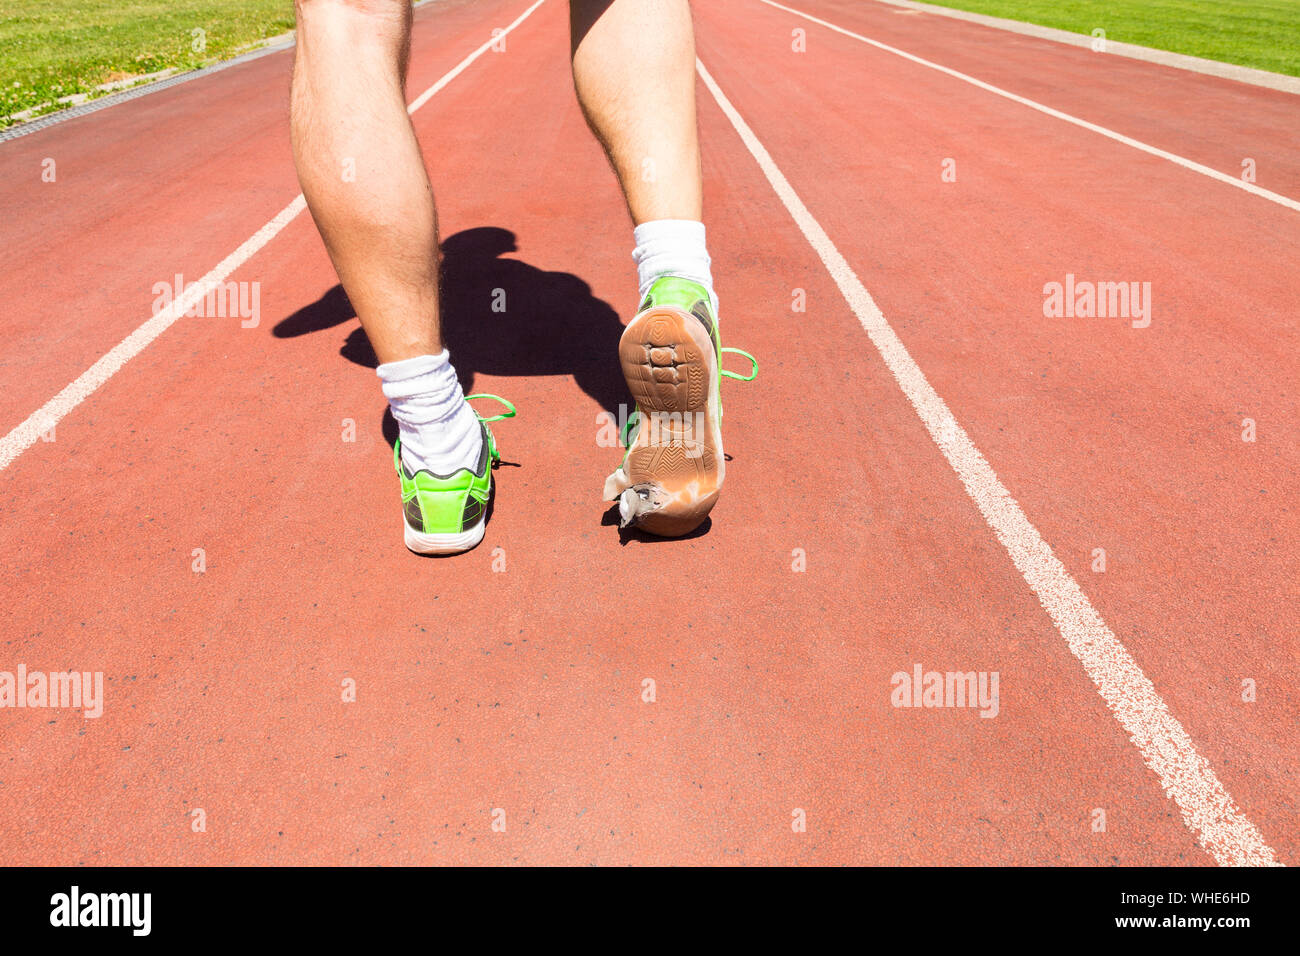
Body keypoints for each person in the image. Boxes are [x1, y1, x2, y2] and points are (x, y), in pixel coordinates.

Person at [290, 0, 753, 554]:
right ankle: (678, 284)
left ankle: (435, 448)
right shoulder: (509, 261)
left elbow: (292, 326)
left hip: (455, 354)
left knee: (350, 17)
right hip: (565, 315)